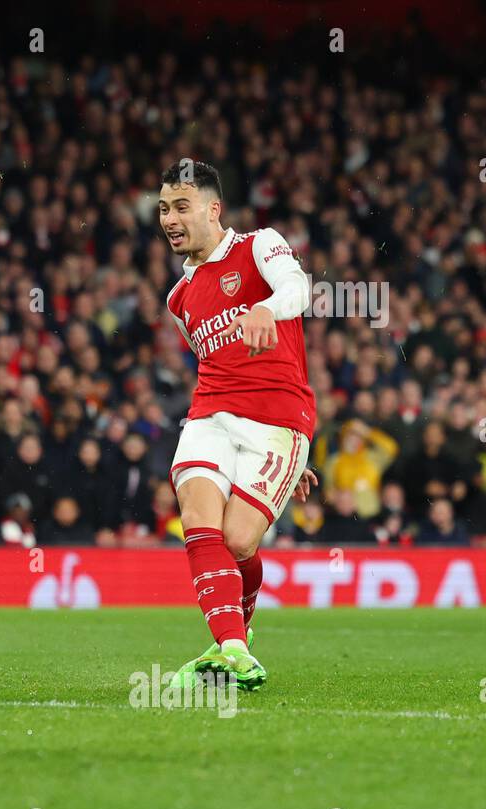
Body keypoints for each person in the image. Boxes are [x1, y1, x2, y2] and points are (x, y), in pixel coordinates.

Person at [156, 160, 318, 690]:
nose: (170, 218)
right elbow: (211, 359)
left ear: (212, 209)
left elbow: (298, 289)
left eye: (182, 206)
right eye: (163, 209)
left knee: (239, 541)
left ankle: (234, 641)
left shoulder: (259, 245)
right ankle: (232, 648)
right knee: (198, 518)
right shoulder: (178, 299)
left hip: (277, 420)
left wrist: (269, 309)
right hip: (210, 414)